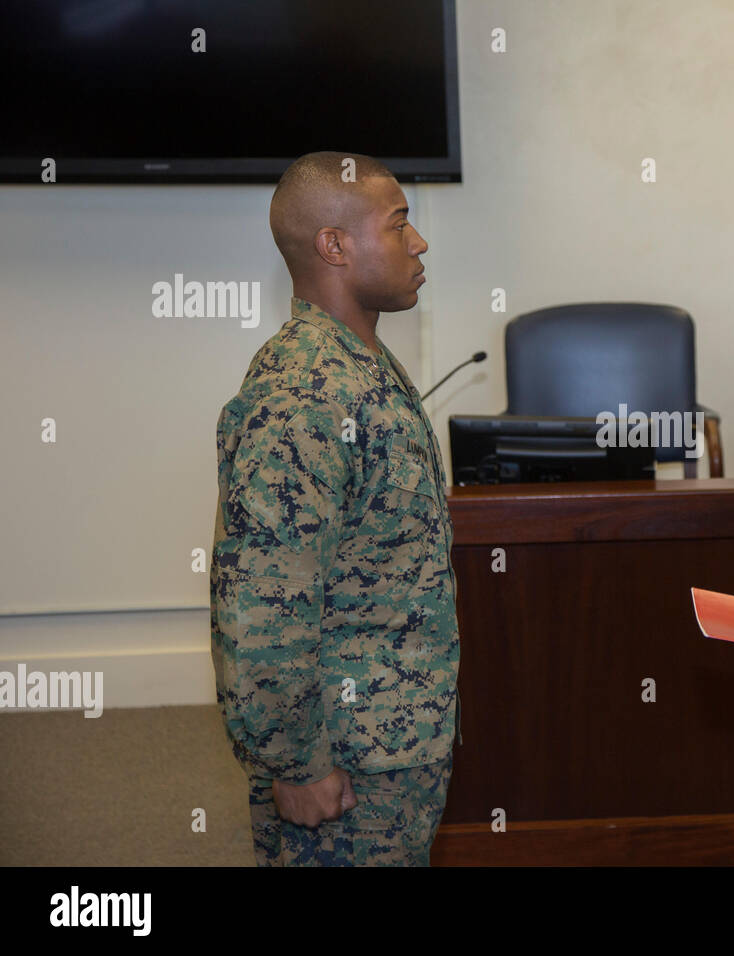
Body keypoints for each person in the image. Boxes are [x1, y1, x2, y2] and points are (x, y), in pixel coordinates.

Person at [210, 151, 458, 866]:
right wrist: (297, 764)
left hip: (394, 747)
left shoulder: (360, 363)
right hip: (345, 767)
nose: (420, 243)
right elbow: (261, 607)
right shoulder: (302, 396)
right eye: (400, 224)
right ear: (334, 245)